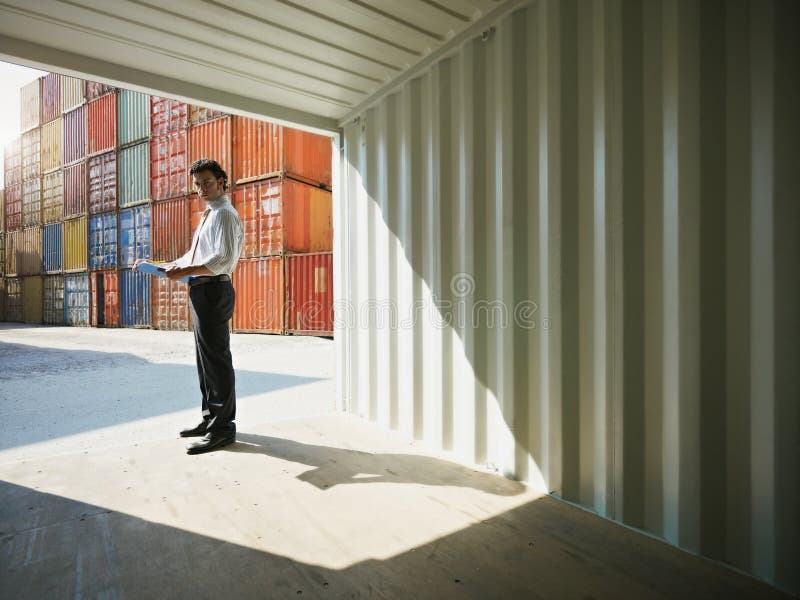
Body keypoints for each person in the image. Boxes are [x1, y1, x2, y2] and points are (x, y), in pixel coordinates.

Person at [139, 158, 243, 454]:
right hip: (201, 291)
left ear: (222, 180)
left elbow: (223, 260)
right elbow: (193, 255)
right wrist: (161, 266)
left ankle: (223, 429)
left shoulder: (224, 214)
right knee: (205, 361)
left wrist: (183, 272)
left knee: (216, 361)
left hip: (213, 291)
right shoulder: (209, 215)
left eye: (207, 183)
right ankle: (210, 420)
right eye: (197, 185)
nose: (201, 189)